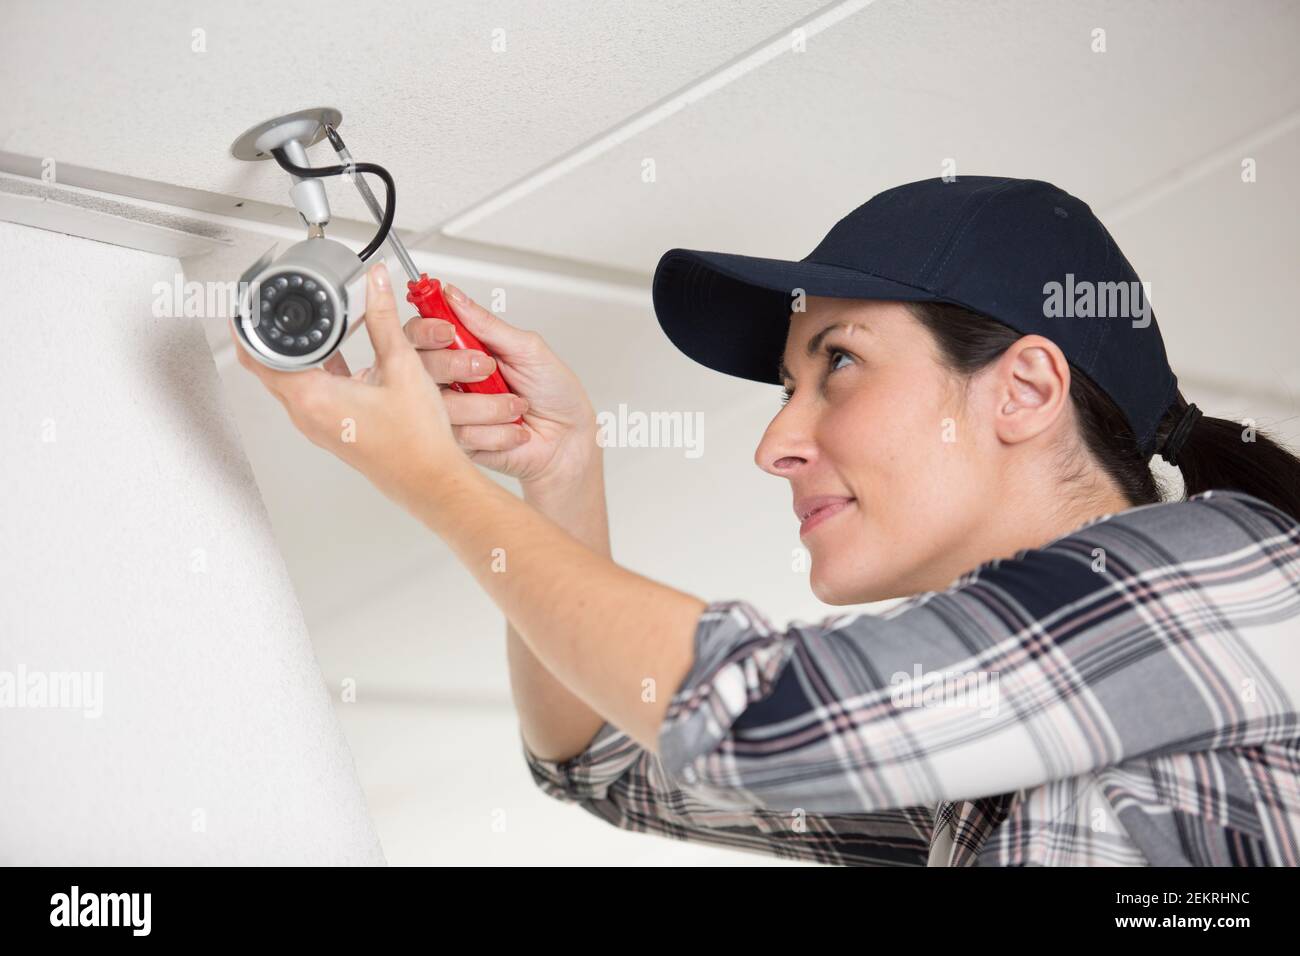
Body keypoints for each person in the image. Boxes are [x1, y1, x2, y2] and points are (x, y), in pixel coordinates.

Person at [234, 176, 1300, 866]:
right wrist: (558, 475)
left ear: (1021, 389)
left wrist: (433, 482)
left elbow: (758, 720)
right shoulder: (994, 763)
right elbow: (603, 758)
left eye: (836, 362)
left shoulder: (1245, 569)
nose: (775, 443)